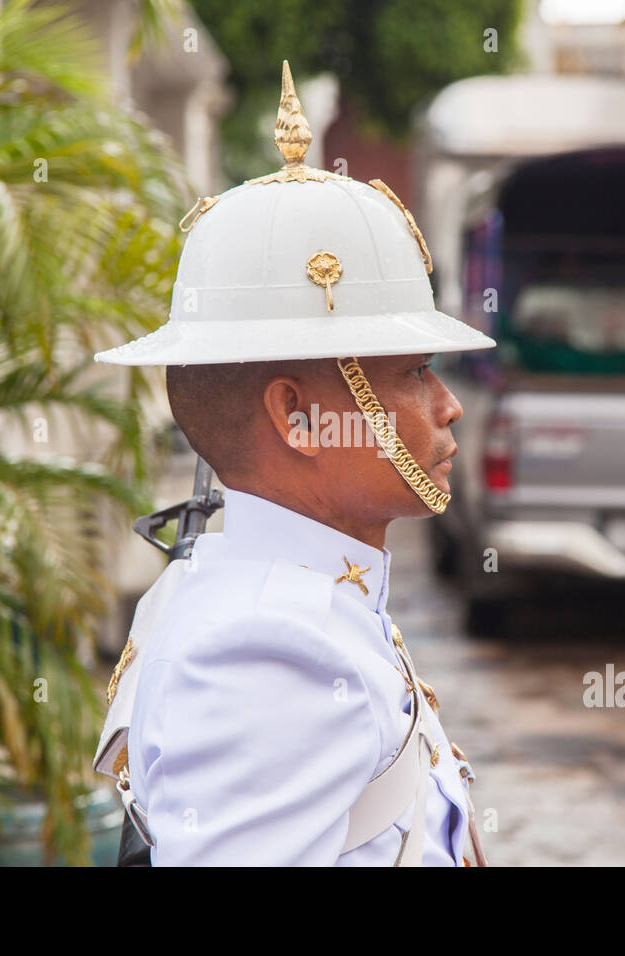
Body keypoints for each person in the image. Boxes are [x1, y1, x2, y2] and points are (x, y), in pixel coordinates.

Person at [91, 61, 495, 866]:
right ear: (298, 418)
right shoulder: (270, 646)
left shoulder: (294, 589)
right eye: (414, 372)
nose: (448, 405)